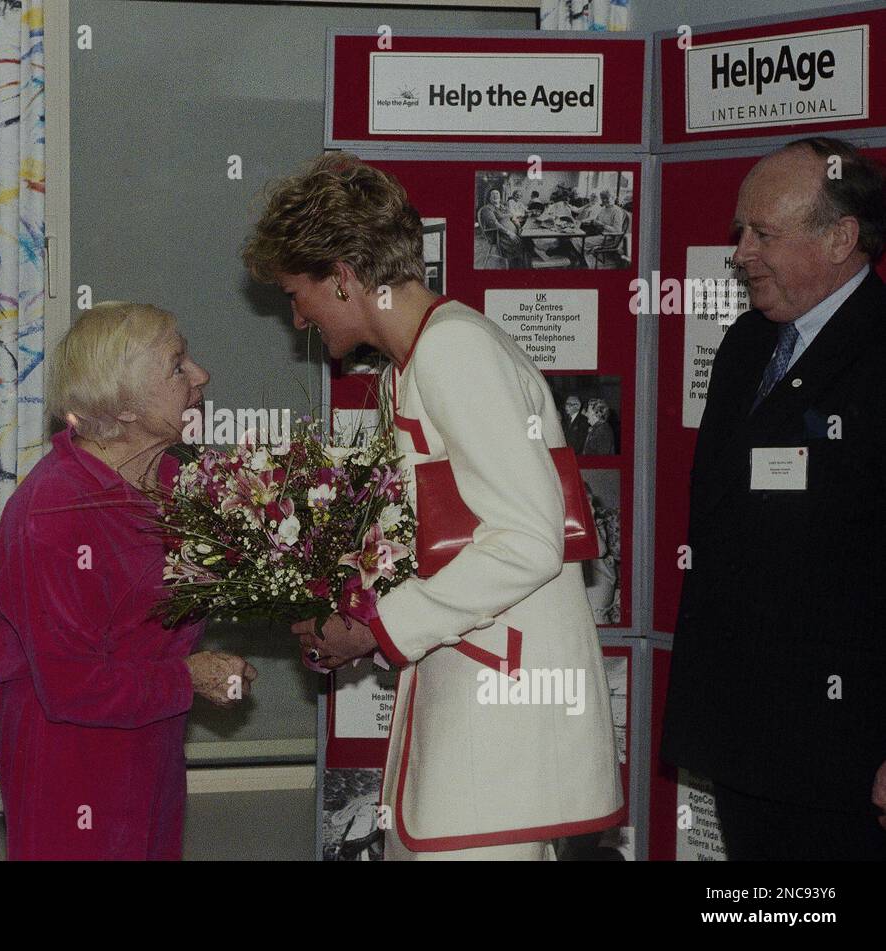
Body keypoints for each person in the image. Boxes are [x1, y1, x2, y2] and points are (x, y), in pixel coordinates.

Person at [244, 153, 622, 860]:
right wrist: (350, 609)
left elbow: (530, 539)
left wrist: (378, 625)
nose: (297, 316)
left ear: (346, 276)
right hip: (461, 713)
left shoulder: (456, 353)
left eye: (299, 293)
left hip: (502, 733)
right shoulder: (409, 369)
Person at [661, 137, 886, 860]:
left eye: (763, 234)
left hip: (845, 757)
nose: (740, 252)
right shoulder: (746, 346)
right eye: (739, 232)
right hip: (745, 740)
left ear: (841, 237)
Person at [0, 300, 257, 860]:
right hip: (69, 758)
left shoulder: (177, 482)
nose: (201, 376)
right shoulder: (53, 510)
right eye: (177, 365)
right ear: (125, 407)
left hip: (150, 744)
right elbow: (69, 684)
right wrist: (190, 678)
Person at [475, 189, 522, 267]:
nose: (496, 195)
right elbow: (494, 224)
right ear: (489, 198)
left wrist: (517, 223)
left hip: (513, 232)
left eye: (497, 193)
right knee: (521, 244)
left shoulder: (503, 206)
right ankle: (514, 266)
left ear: (500, 196)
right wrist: (509, 233)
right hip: (500, 235)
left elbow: (512, 215)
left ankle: (521, 264)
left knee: (527, 240)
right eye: (493, 194)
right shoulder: (487, 209)